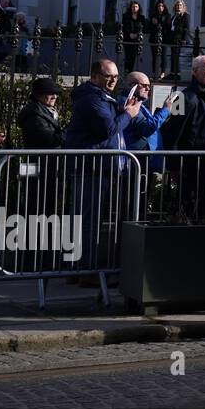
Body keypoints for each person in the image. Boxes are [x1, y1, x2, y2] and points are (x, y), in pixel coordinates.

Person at [64, 59, 143, 269]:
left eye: (116, 77)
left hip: (103, 166)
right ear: (95, 76)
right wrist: (128, 113)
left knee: (93, 220)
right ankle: (85, 270)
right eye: (108, 76)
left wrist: (124, 111)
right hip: (92, 166)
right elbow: (107, 129)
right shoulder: (92, 98)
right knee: (88, 221)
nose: (113, 80)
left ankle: (85, 269)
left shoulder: (103, 97)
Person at [159, 55, 205, 219]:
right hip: (190, 166)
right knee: (187, 210)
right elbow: (170, 132)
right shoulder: (182, 97)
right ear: (195, 71)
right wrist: (173, 166)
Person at [18, 77, 63, 149]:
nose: (54, 97)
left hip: (48, 158)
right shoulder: (34, 116)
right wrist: (69, 132)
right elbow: (51, 140)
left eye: (56, 93)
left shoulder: (46, 111)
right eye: (50, 93)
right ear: (38, 95)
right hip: (42, 158)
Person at [168, 0, 192, 80]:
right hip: (173, 39)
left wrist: (184, 39)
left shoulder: (185, 15)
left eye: (180, 5)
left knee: (177, 56)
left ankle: (177, 74)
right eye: (177, 5)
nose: (178, 7)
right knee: (173, 56)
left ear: (183, 7)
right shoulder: (174, 16)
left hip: (179, 39)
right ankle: (172, 73)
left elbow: (186, 28)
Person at [148, 0, 171, 78]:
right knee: (154, 56)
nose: (160, 7)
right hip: (154, 38)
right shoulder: (153, 16)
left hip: (164, 38)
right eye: (159, 6)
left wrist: (158, 23)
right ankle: (154, 72)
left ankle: (162, 72)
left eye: (162, 6)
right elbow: (149, 27)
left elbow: (168, 27)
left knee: (163, 56)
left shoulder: (167, 16)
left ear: (164, 7)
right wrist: (153, 22)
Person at [120, 1, 145, 73]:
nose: (134, 8)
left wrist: (137, 35)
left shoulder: (141, 18)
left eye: (136, 7)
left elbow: (143, 28)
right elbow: (123, 27)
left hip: (137, 40)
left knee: (134, 56)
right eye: (133, 7)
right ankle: (127, 71)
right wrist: (129, 34)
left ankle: (132, 72)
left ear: (139, 8)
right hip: (128, 38)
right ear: (130, 8)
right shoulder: (126, 16)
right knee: (128, 55)